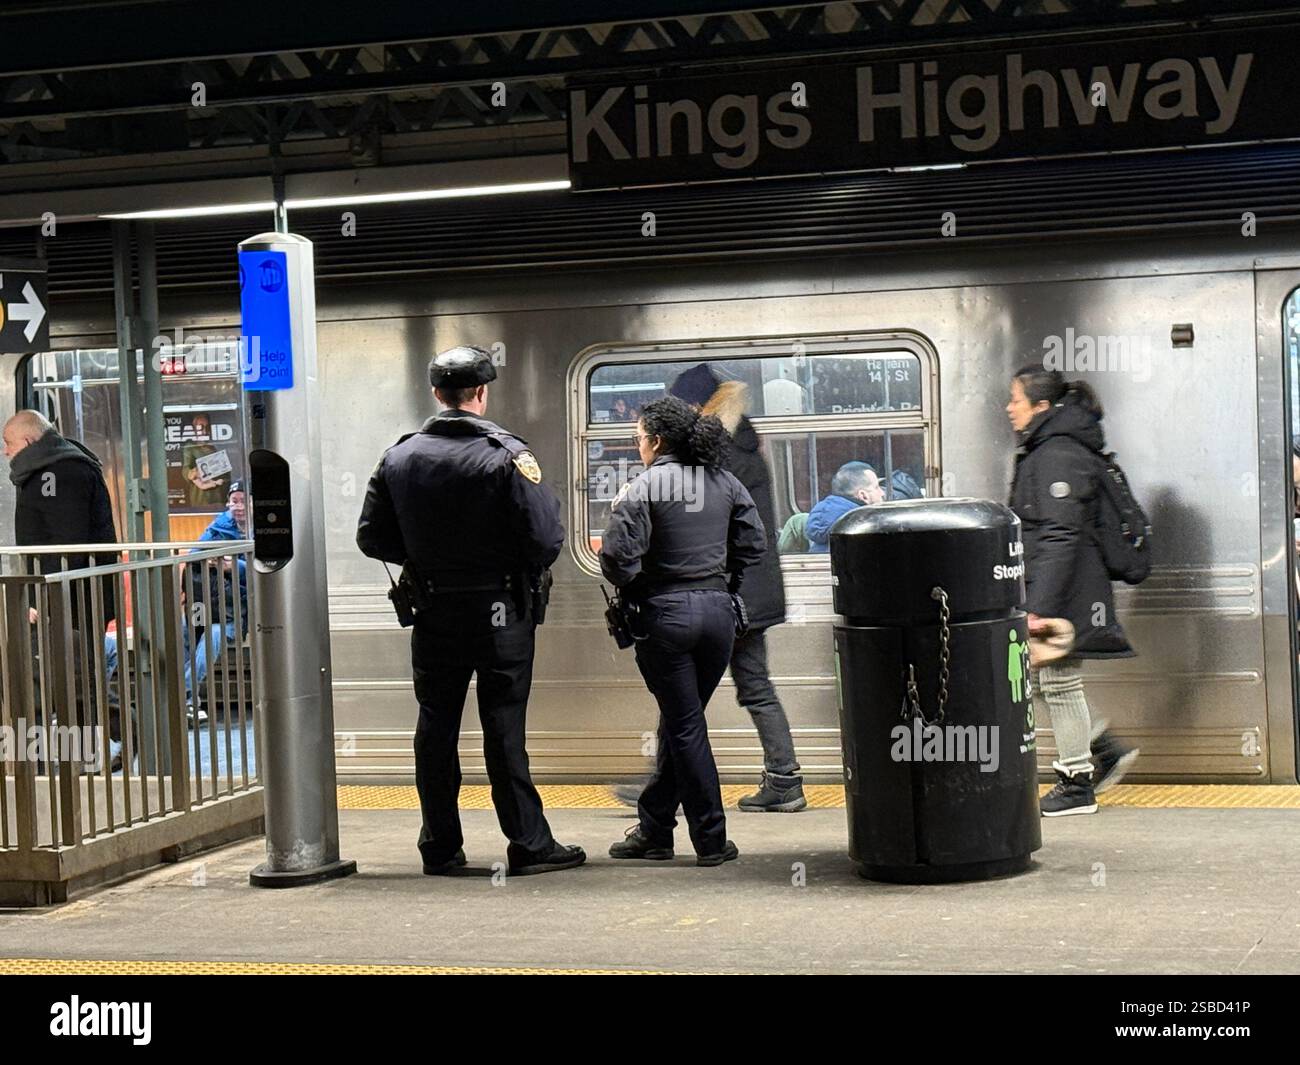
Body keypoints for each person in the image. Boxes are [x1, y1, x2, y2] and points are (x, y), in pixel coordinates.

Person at [356, 345, 585, 877]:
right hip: (502, 608)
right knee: (503, 727)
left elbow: (372, 538)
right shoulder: (506, 454)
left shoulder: (400, 456)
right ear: (481, 393)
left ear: (438, 394)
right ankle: (528, 844)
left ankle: (439, 846)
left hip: (433, 607)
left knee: (435, 725)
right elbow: (546, 538)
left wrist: (426, 556)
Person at [601, 395, 766, 865]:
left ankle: (711, 838)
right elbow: (753, 546)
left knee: (686, 725)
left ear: (655, 440)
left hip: (664, 618)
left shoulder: (643, 488)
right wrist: (717, 579)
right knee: (681, 721)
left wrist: (646, 583)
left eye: (638, 440)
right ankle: (654, 829)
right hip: (718, 617)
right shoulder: (727, 481)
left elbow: (616, 562)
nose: (638, 449)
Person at [1007, 365, 1140, 816]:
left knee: (1059, 683)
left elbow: (1060, 535)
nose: (1010, 409)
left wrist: (1038, 608)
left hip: (1066, 591)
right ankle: (1102, 749)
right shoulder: (1050, 449)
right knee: (1048, 682)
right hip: (1062, 586)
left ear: (1041, 406)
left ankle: (1076, 782)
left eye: (1016, 400)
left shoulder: (1057, 455)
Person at [682, 365, 806, 810]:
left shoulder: (715, 453)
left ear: (698, 407)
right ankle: (784, 779)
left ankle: (666, 789)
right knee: (754, 686)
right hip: (753, 592)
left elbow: (710, 528)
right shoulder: (743, 444)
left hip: (727, 593)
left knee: (684, 691)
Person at [3, 410, 118, 754]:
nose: (5, 452)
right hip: (72, 597)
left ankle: (98, 747)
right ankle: (81, 751)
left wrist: (41, 597)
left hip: (72, 600)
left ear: (28, 441)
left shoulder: (58, 472)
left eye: (8, 444)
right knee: (71, 676)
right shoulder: (59, 465)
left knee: (77, 679)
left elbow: (63, 544)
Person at [805, 461, 885, 552]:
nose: (882, 493)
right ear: (863, 495)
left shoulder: (819, 520)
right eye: (876, 487)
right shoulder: (864, 526)